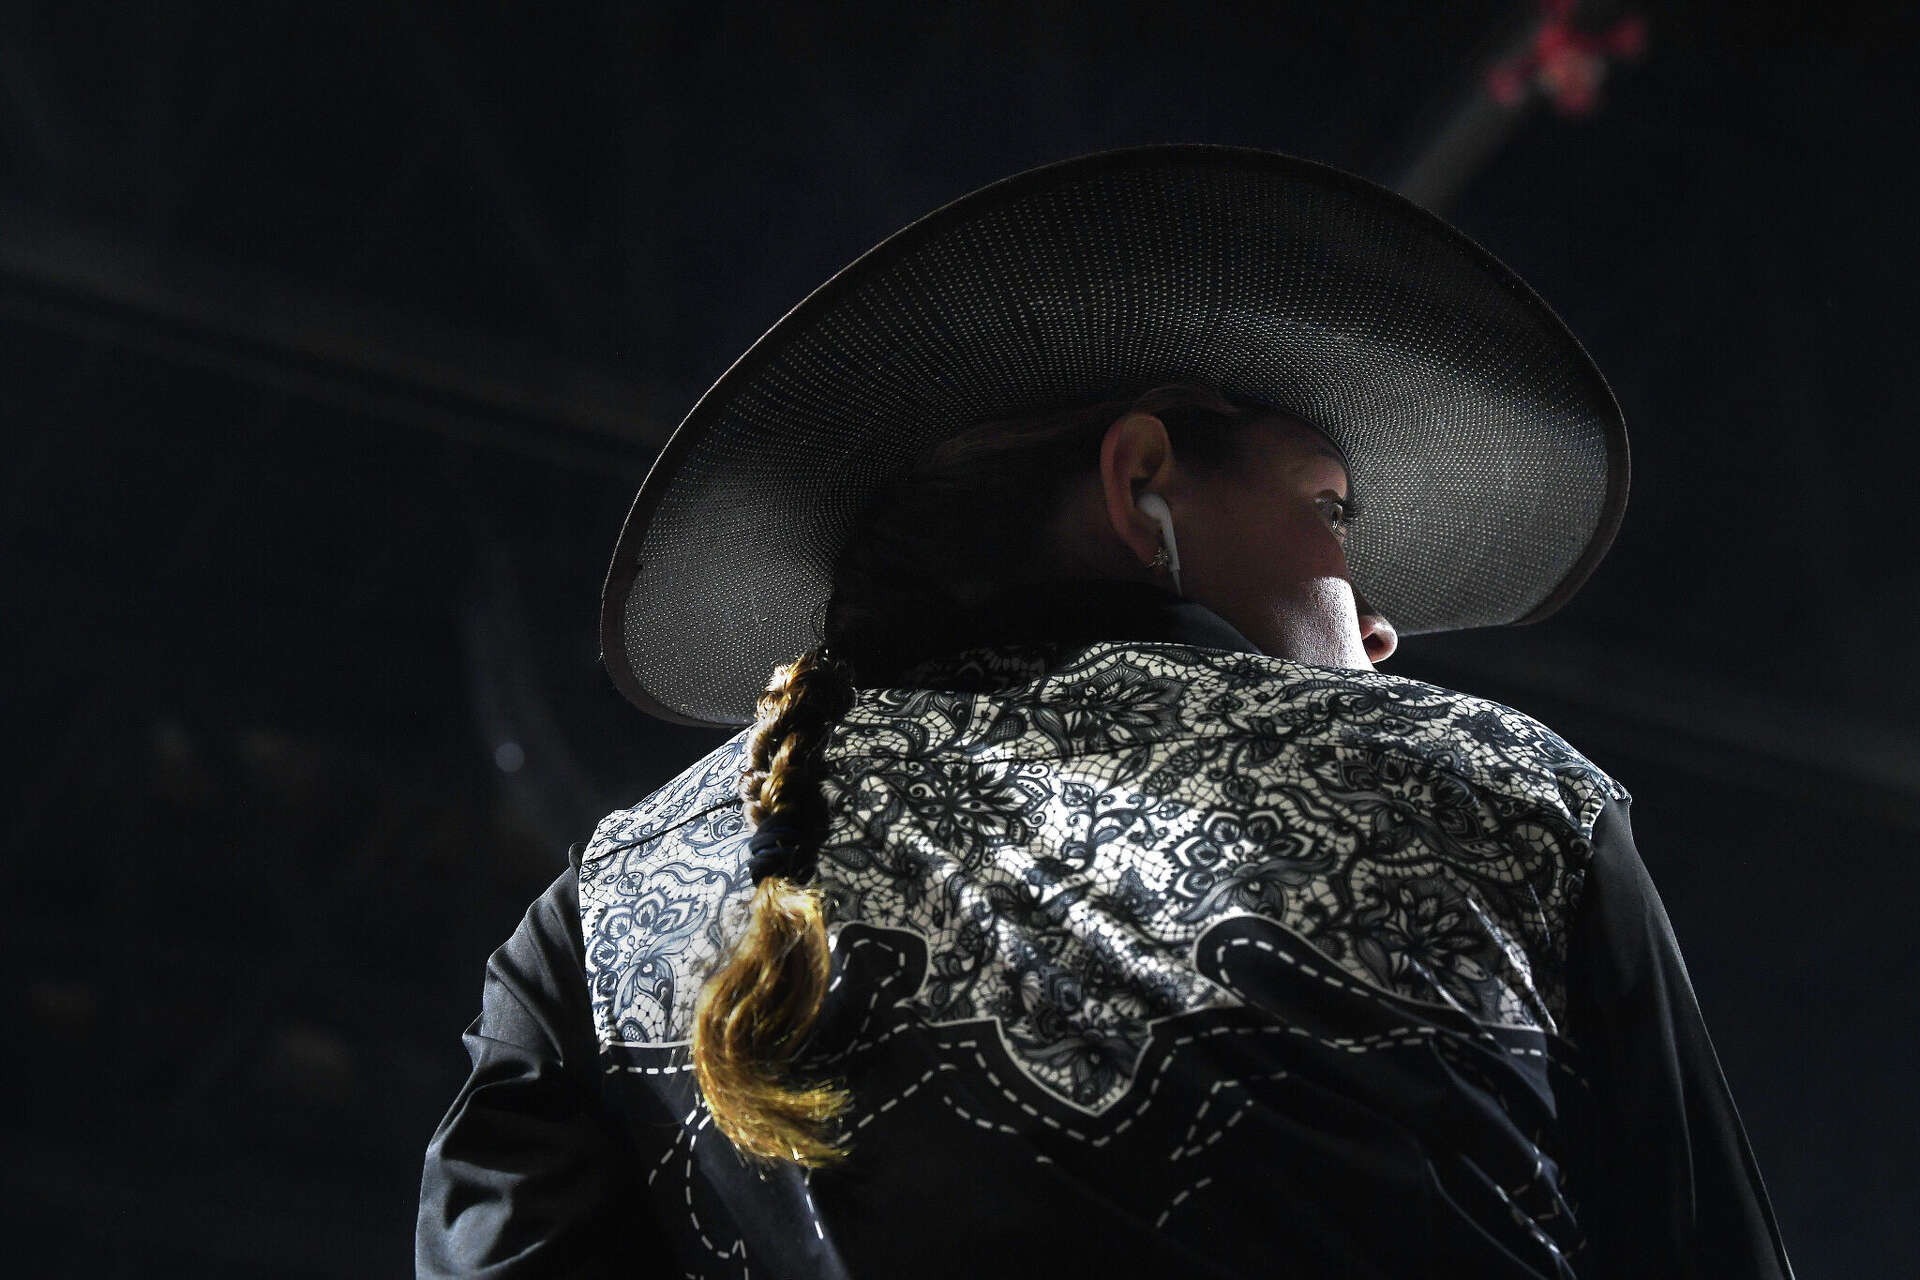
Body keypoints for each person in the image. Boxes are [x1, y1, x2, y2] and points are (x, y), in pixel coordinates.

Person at [417, 146, 1792, 1277]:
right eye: (1332, 512)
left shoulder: (595, 927)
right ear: (1145, 486)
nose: (1378, 630)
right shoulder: (1489, 793)